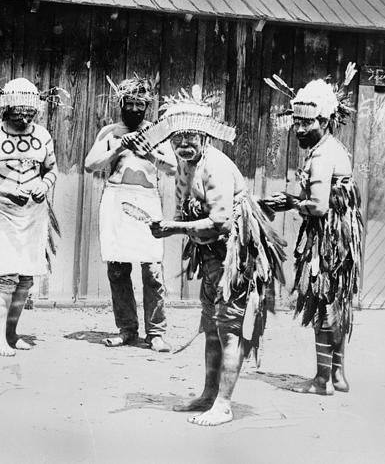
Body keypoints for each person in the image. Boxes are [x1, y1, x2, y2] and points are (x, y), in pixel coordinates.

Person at [143, 86, 286, 426]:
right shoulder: (184, 165)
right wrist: (176, 226)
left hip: (235, 255)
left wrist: (174, 228)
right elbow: (187, 213)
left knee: (230, 330)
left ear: (205, 135)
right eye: (177, 138)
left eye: (190, 137)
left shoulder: (216, 166)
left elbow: (220, 221)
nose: (183, 145)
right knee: (211, 327)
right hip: (210, 257)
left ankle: (223, 403)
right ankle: (208, 394)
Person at [264, 67, 363, 395]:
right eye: (297, 121)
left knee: (323, 303)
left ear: (324, 121)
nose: (299, 128)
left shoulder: (321, 156)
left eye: (307, 123)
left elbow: (319, 206)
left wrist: (291, 202)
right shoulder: (336, 148)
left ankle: (321, 381)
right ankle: (338, 375)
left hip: (326, 242)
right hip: (342, 240)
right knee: (337, 303)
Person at [0, 76, 59, 357]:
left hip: (34, 213)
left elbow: (52, 170)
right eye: (19, 111)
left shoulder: (42, 135)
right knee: (5, 277)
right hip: (3, 213)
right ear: (7, 107)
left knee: (26, 278)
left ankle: (11, 332)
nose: (25, 116)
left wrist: (44, 185)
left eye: (30, 111)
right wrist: (2, 191)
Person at [84, 76, 176, 353]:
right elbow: (90, 165)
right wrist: (120, 146)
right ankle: (127, 329)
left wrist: (149, 154)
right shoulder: (110, 132)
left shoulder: (157, 131)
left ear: (147, 106)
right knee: (118, 269)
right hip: (116, 199)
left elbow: (171, 168)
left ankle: (156, 332)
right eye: (130, 104)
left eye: (140, 105)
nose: (135, 110)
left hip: (147, 199)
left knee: (152, 269)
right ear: (121, 103)